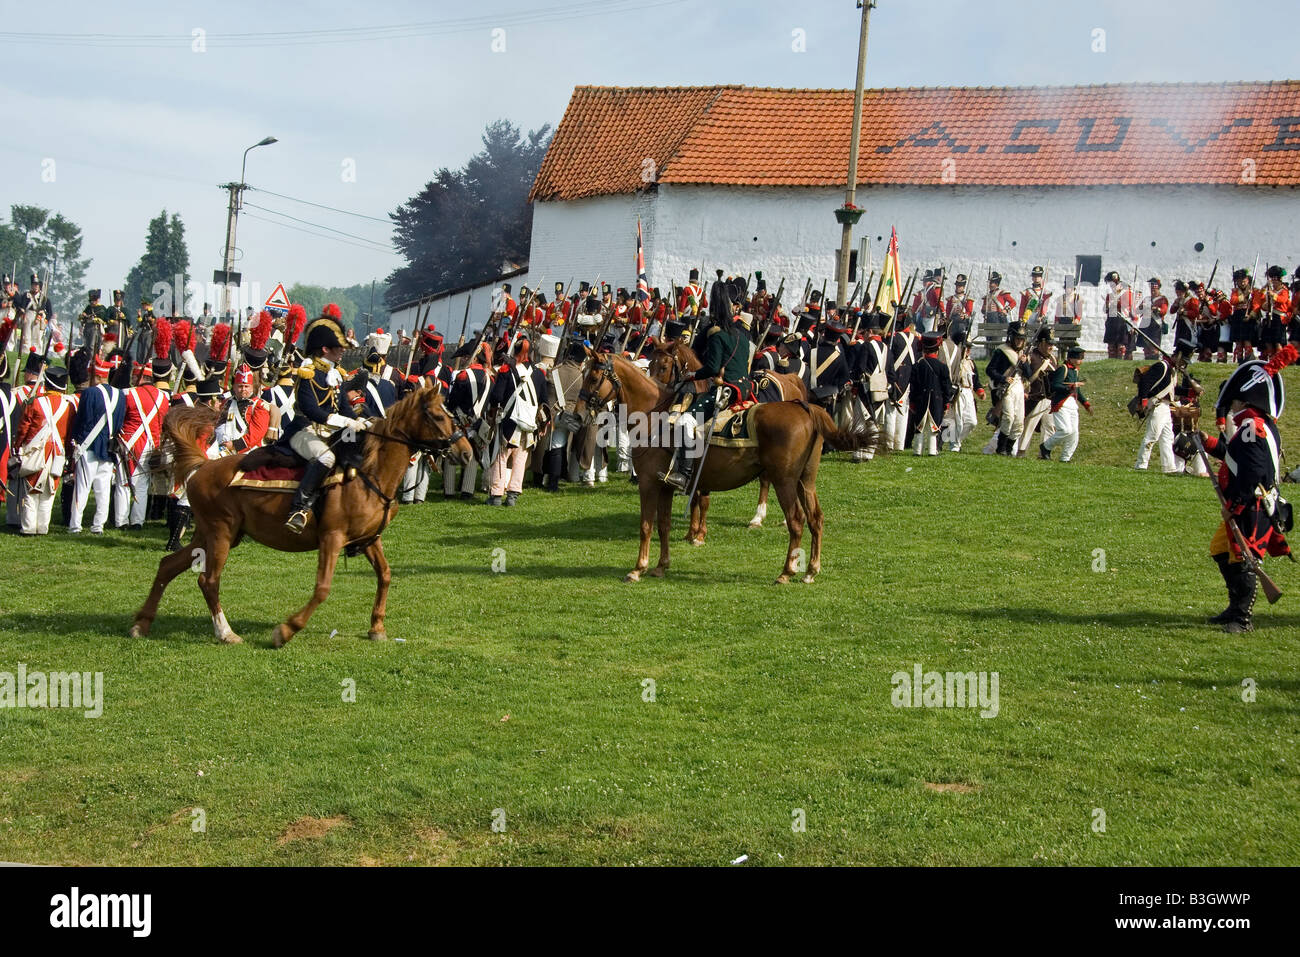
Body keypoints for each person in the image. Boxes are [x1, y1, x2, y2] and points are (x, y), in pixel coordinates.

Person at [1176, 345, 1297, 632]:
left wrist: (1236, 506)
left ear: (1244, 400)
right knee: (1221, 549)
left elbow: (1253, 473)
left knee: (1245, 559)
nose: (1230, 406)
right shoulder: (1250, 426)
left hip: (1253, 505)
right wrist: (1205, 441)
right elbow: (1234, 457)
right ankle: (1234, 608)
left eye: (1234, 402)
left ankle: (1242, 618)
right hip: (1246, 502)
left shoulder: (1253, 427)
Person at [283, 305, 368, 533]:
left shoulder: (336, 374)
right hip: (303, 430)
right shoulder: (307, 373)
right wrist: (344, 422)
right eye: (338, 348)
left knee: (357, 448)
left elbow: (343, 407)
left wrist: (362, 422)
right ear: (324, 349)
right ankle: (298, 509)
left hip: (328, 432)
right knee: (327, 459)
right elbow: (310, 410)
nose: (342, 351)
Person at [659, 279, 749, 492]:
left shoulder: (716, 334)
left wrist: (691, 374)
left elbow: (711, 367)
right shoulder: (742, 335)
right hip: (746, 389)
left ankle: (683, 475)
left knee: (684, 422)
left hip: (726, 390)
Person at [485, 335, 548, 506]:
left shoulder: (506, 371)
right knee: (520, 459)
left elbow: (497, 396)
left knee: (501, 457)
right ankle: (512, 495)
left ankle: (496, 494)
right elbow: (543, 400)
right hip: (529, 423)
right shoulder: (539, 374)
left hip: (509, 421)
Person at [67, 357, 125, 535]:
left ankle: (75, 525)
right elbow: (119, 422)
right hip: (108, 448)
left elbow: (82, 420)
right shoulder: (120, 395)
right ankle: (98, 525)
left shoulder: (89, 393)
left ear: (97, 376)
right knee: (103, 491)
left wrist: (75, 440)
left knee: (82, 489)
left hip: (89, 446)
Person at [13, 364, 73, 535]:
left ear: (46, 384)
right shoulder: (69, 405)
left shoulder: (36, 403)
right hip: (58, 453)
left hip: (35, 451)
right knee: (49, 492)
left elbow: (23, 429)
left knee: (31, 491)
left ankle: (28, 528)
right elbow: (69, 433)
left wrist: (18, 447)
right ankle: (42, 527)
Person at [116, 348, 172, 530]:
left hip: (128, 442)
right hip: (151, 444)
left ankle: (121, 521)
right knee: (142, 484)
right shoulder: (164, 397)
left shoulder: (127, 394)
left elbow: (120, 418)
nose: (133, 379)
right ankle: (137, 522)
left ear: (140, 377)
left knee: (124, 483)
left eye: (135, 376)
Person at [1134, 339, 1195, 474]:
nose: (1184, 364)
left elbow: (1171, 390)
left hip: (1166, 406)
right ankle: (1141, 465)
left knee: (1168, 438)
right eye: (1183, 361)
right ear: (1178, 356)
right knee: (1152, 436)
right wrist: (1143, 400)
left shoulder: (1172, 370)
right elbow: (1145, 382)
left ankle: (1169, 468)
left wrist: (1189, 392)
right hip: (1158, 405)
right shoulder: (1162, 366)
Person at [1039, 346, 1091, 462]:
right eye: (1079, 358)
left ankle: (1065, 458)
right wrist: (1070, 387)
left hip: (1072, 404)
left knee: (1074, 434)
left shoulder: (1075, 370)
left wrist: (1085, 403)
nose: (1081, 360)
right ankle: (1046, 447)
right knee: (1065, 430)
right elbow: (1055, 385)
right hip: (1061, 403)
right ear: (1072, 358)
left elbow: (1077, 391)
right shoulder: (1063, 369)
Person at [984, 321, 1027, 456]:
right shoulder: (1002, 351)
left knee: (1019, 421)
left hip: (1019, 387)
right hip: (1007, 387)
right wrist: (1003, 379)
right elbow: (990, 370)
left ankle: (1009, 449)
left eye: (1022, 339)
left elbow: (1029, 374)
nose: (1019, 341)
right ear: (1011, 337)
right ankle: (1001, 449)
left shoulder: (1023, 354)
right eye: (1017, 338)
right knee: (1008, 417)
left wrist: (1025, 363)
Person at [908, 330, 954, 456]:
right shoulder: (942, 367)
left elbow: (913, 386)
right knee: (934, 427)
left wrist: (912, 402)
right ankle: (932, 451)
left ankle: (917, 450)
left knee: (919, 426)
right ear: (937, 349)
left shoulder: (917, 366)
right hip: (937, 399)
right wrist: (947, 403)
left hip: (920, 399)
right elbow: (946, 387)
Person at [1016, 326, 1058, 457]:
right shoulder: (1030, 357)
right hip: (1034, 398)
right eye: (1048, 344)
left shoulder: (1053, 359)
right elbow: (1024, 377)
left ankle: (1045, 452)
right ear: (1041, 343)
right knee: (1029, 426)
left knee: (1050, 426)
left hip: (1049, 399)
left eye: (1052, 344)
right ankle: (1021, 452)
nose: (1051, 347)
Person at [1137, 277, 1169, 359]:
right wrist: (1142, 307)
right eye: (1151, 290)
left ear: (1158, 289)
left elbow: (1163, 311)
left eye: (1154, 290)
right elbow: (1138, 310)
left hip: (1155, 325)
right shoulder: (1147, 299)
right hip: (1145, 324)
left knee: (1154, 347)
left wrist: (1155, 308)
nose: (1152, 292)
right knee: (1146, 347)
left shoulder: (1162, 299)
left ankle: (1154, 361)